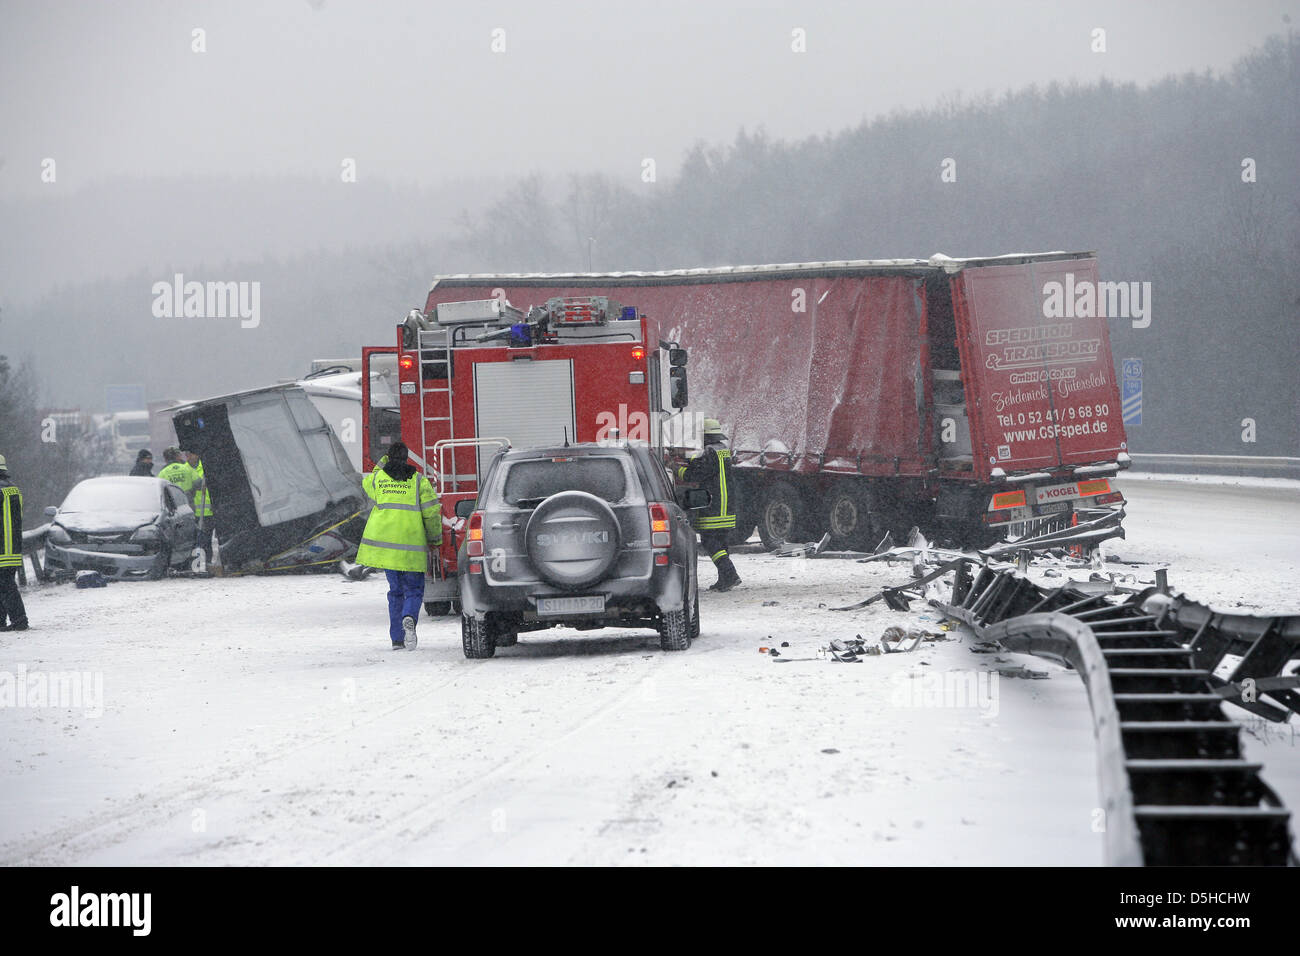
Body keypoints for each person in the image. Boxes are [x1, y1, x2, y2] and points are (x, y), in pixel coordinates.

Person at [356, 442, 442, 650]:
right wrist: (435, 540)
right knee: (413, 589)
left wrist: (384, 460)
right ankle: (409, 616)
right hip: (411, 546)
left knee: (395, 592)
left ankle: (397, 639)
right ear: (407, 459)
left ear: (389, 457)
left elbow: (367, 481)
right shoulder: (419, 481)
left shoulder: (378, 479)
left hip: (387, 549)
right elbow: (431, 514)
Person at [676, 417, 742, 591]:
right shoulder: (721, 450)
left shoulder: (710, 452)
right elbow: (704, 464)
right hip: (727, 505)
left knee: (709, 541)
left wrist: (677, 468)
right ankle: (724, 580)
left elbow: (694, 475)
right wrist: (686, 457)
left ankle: (731, 574)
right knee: (721, 542)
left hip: (714, 505)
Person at [0, 454, 30, 632]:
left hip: (1, 547)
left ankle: (20, 621)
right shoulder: (12, 489)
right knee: (5, 584)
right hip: (13, 547)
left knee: (6, 586)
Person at [186, 450, 214, 567]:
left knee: (207, 540)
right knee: (198, 541)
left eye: (191, 454)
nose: (189, 457)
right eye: (187, 454)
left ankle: (208, 563)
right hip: (195, 513)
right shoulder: (185, 469)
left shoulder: (206, 466)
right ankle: (198, 564)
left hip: (210, 511)